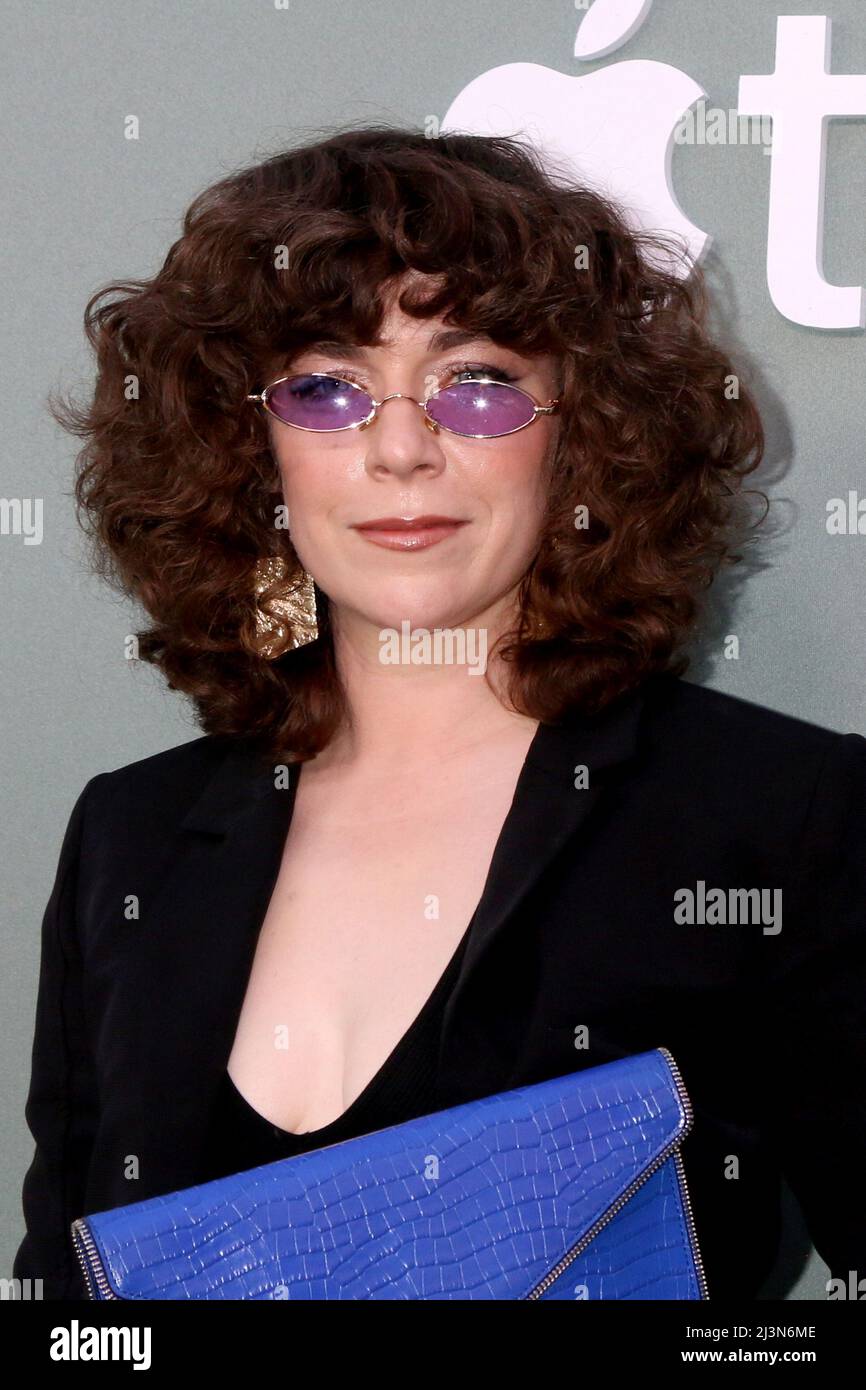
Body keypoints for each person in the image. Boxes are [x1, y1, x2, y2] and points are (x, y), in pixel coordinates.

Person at [13, 125, 866, 1301]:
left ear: (584, 436)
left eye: (476, 385)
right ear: (247, 450)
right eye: (325, 388)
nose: (401, 447)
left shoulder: (781, 816)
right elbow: (64, 1306)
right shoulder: (132, 834)